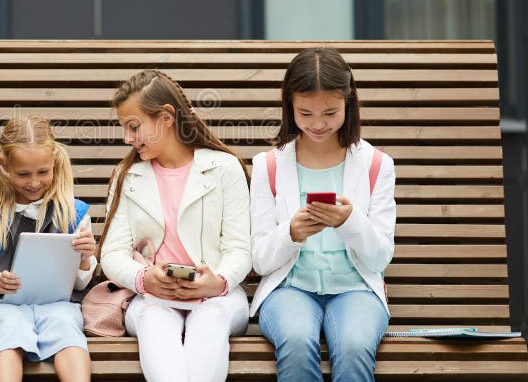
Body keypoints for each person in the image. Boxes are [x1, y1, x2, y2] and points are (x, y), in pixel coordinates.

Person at [250, 46, 397, 382]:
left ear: (349, 102)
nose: (317, 124)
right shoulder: (268, 165)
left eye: (330, 112)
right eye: (305, 113)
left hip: (356, 289)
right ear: (289, 106)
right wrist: (291, 233)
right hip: (289, 289)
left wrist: (349, 222)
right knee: (296, 341)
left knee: (355, 345)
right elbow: (260, 260)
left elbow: (379, 258)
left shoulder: (376, 165)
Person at [98, 69, 252, 382]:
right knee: (154, 324)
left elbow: (239, 248)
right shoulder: (128, 177)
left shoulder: (224, 169)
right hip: (152, 298)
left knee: (209, 322)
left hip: (218, 297)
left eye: (134, 127)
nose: (127, 139)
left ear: (167, 117)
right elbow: (112, 254)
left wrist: (217, 282)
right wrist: (144, 279)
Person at [0, 116, 96, 382]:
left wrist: (85, 258)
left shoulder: (73, 214)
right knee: (9, 328)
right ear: (4, 165)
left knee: (66, 327)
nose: (34, 182)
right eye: (23, 174)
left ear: (54, 163)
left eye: (42, 172)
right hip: (4, 304)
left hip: (58, 304)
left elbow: (78, 283)